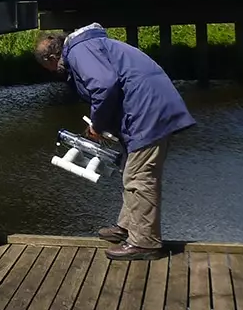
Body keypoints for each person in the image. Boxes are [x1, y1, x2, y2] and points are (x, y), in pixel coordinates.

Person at [34, 23, 196, 261]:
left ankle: (144, 242)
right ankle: (128, 227)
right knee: (132, 171)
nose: (52, 72)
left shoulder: (79, 51)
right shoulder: (89, 46)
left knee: (139, 177)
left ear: (51, 57)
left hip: (147, 113)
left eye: (47, 67)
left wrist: (97, 125)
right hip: (148, 109)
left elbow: (104, 85)